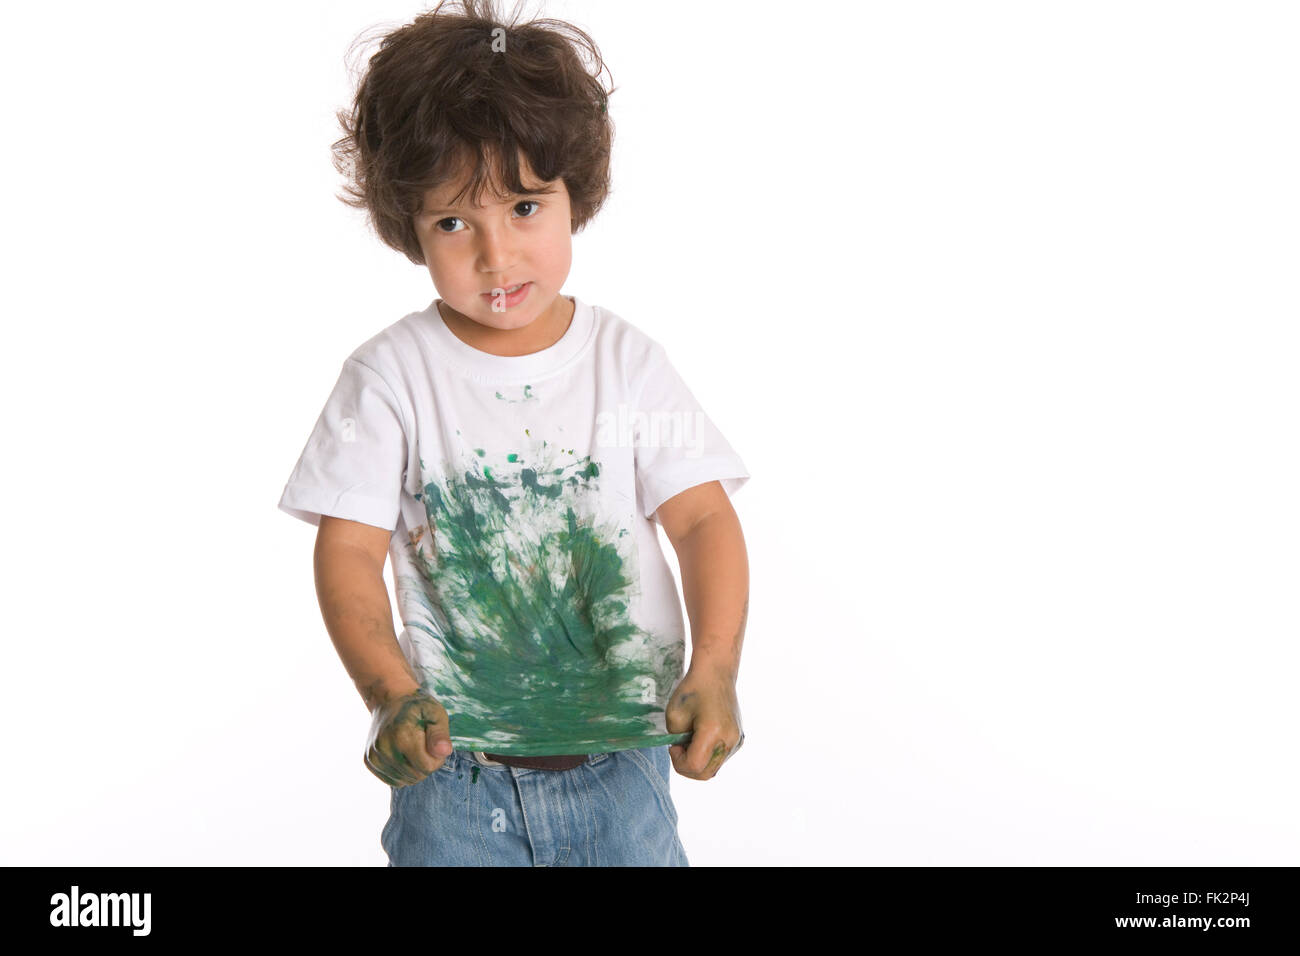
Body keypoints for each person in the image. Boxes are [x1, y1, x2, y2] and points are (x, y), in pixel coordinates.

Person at [278, 0, 750, 867]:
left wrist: (714, 669)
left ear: (578, 195)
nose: (496, 257)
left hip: (622, 767)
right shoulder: (389, 377)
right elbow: (347, 552)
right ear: (407, 228)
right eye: (454, 223)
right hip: (453, 776)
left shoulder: (628, 364)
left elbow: (703, 520)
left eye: (526, 207)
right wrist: (387, 694)